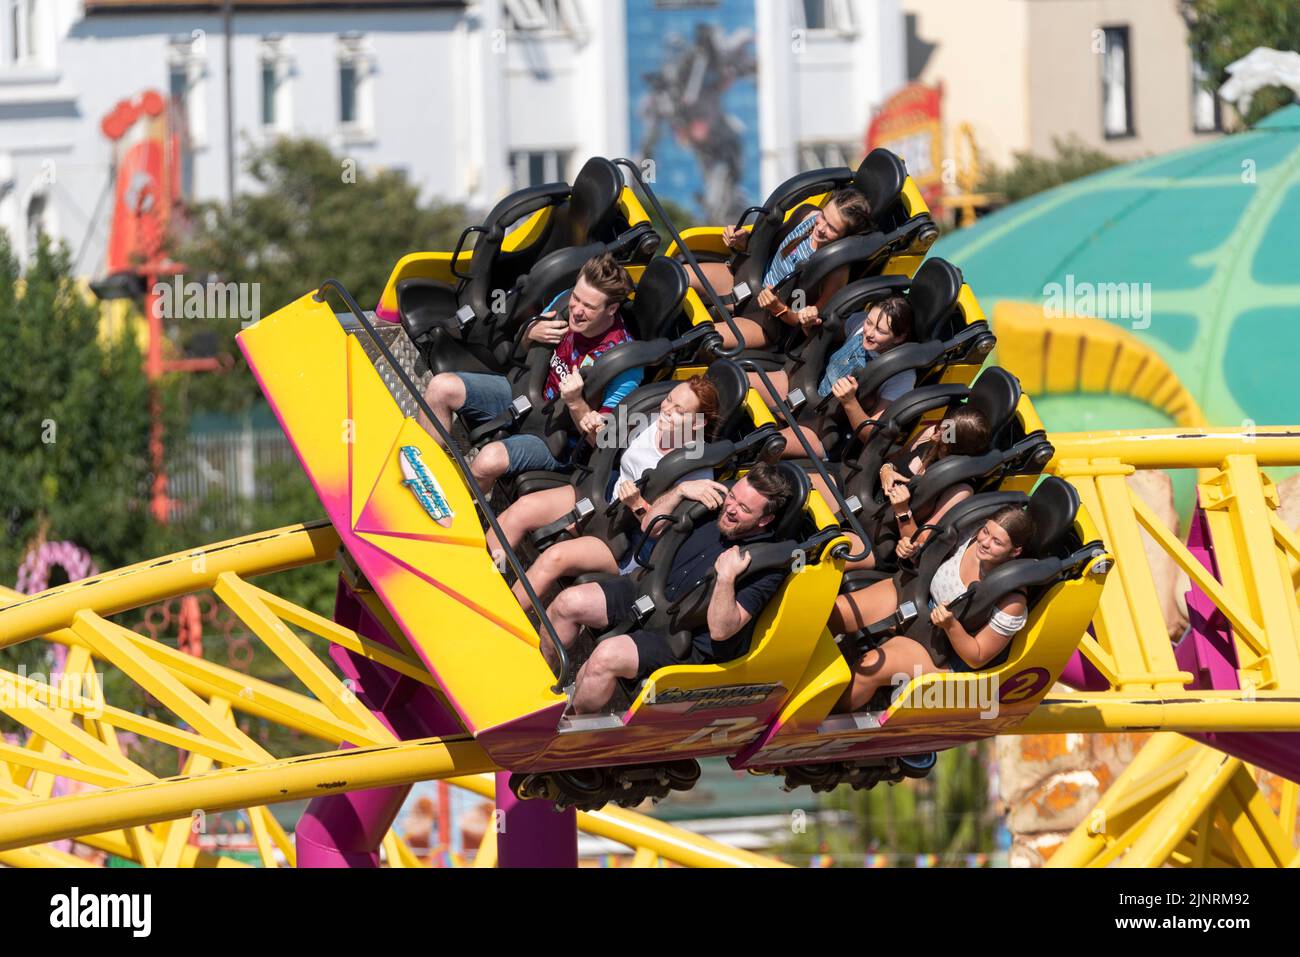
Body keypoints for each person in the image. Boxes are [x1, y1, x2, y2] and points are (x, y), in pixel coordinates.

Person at [541, 464, 796, 714]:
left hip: (683, 639)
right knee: (567, 603)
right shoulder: (711, 507)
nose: (730, 508)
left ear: (765, 520)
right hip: (650, 594)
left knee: (605, 657)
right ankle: (539, 686)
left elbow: (721, 631)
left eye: (743, 509)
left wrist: (727, 579)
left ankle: (567, 726)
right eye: (732, 496)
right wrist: (680, 491)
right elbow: (648, 525)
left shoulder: (765, 566)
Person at [485, 377, 722, 604]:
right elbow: (601, 441)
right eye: (668, 399)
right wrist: (593, 423)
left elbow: (658, 532)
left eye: (680, 411)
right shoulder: (650, 420)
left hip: (630, 537)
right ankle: (489, 581)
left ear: (698, 422)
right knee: (520, 512)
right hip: (604, 497)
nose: (667, 409)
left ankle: (500, 616)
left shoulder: (696, 467)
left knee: (554, 558)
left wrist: (638, 503)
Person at [418, 253, 642, 491]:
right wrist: (530, 333)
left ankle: (457, 510)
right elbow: (521, 350)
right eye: (577, 298)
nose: (576, 310)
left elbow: (602, 441)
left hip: (558, 438)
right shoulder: (564, 303)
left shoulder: (624, 365)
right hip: (524, 392)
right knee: (440, 388)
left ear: (612, 308)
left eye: (589, 306)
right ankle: (424, 474)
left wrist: (576, 403)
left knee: (487, 460)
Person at [828, 507, 1035, 713]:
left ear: (1015, 551)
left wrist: (951, 625)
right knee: (836, 613)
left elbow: (977, 657)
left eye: (997, 542)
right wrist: (912, 551)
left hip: (944, 649)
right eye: (986, 531)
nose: (985, 542)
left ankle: (817, 720)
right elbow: (929, 556)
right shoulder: (970, 536)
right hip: (919, 600)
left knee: (871, 667)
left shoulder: (1012, 599)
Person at [689, 189, 873, 351]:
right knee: (681, 277)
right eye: (824, 216)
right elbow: (770, 244)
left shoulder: (836, 270)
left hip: (766, 321)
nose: (821, 227)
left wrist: (777, 307)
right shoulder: (806, 215)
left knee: (700, 338)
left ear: (845, 237)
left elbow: (805, 323)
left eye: (832, 228)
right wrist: (743, 241)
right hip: (748, 282)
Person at [839, 406, 991, 570]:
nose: (934, 435)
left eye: (944, 436)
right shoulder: (932, 433)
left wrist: (903, 511)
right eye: (940, 426)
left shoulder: (960, 490)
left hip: (882, 539)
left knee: (824, 553)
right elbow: (893, 459)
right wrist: (887, 470)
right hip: (865, 504)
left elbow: (922, 543)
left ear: (958, 449)